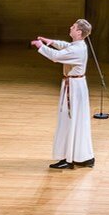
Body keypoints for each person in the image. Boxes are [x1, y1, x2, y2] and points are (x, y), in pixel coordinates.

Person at [31, 19, 95, 170]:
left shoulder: (77, 49)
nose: (70, 28)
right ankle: (80, 156)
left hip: (74, 87)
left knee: (69, 120)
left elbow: (56, 57)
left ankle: (69, 157)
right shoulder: (78, 45)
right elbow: (65, 46)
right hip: (75, 85)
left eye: (73, 27)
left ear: (79, 32)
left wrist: (41, 47)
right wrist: (50, 41)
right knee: (75, 120)